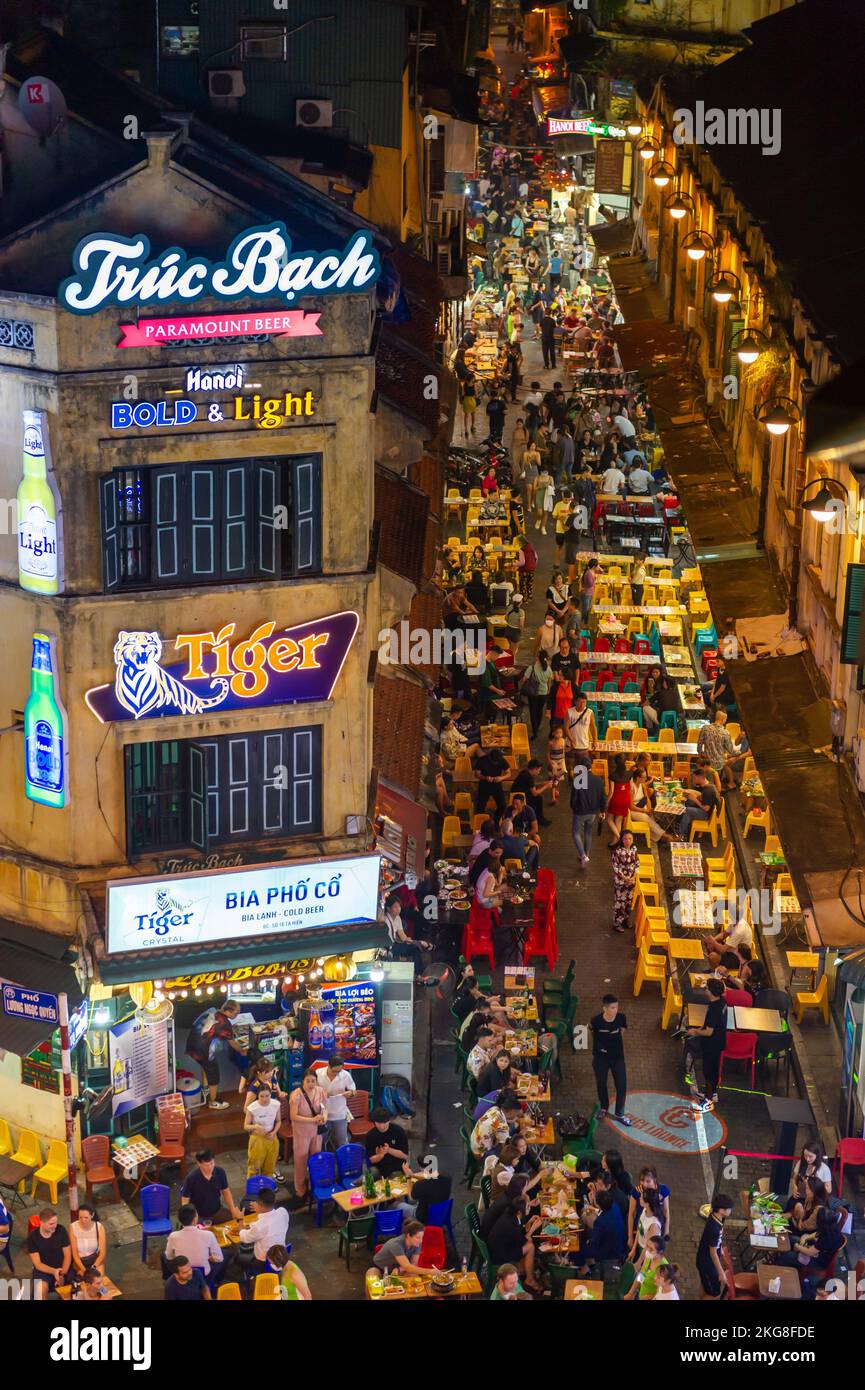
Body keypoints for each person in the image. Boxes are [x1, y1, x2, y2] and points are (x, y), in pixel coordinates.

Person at [185, 997, 247, 1109]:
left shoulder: (212, 1009)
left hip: (192, 1044)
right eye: (236, 1013)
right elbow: (232, 1042)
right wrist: (242, 1051)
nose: (237, 1015)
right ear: (228, 1011)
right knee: (214, 1074)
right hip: (204, 1051)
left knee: (204, 1065)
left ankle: (206, 1087)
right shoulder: (224, 1023)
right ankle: (213, 1102)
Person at [686, 976, 728, 1106]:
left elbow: (709, 1032)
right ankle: (712, 1093)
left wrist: (695, 1032)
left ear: (711, 992)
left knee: (708, 1071)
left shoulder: (714, 1010)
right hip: (719, 1041)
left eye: (707, 988)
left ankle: (709, 1098)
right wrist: (700, 1027)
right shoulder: (721, 1001)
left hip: (712, 1044)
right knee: (713, 1069)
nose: (705, 990)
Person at [590, 994, 631, 1123]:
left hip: (617, 1057)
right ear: (605, 1009)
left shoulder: (621, 1018)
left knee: (621, 1086)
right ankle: (604, 1107)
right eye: (612, 1008)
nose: (616, 1010)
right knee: (601, 1084)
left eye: (617, 1007)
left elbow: (623, 1030)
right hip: (600, 1058)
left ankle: (619, 1113)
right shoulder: (596, 1021)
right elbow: (591, 1031)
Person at [289, 1068, 328, 1201]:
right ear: (302, 1082)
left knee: (316, 1158)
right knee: (301, 1160)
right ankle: (300, 1189)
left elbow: (325, 1108)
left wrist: (324, 1117)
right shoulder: (296, 1095)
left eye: (313, 1081)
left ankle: (314, 1185)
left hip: (317, 1131)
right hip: (302, 1132)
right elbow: (293, 1116)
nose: (311, 1084)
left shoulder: (321, 1091)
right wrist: (312, 1120)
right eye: (308, 1081)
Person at [180, 1149, 242, 1225]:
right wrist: (189, 1218)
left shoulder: (220, 1172)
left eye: (212, 1163)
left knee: (233, 1223)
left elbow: (226, 1192)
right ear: (199, 1163)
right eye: (206, 1165)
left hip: (217, 1211)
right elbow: (185, 1200)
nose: (210, 1167)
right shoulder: (191, 1178)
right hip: (199, 1215)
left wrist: (232, 1209)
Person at [165, 1205, 224, 1279]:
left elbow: (169, 1257)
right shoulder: (208, 1235)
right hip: (203, 1274)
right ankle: (216, 1281)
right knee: (225, 1254)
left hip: (182, 1273)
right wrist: (209, 1257)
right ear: (194, 1220)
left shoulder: (173, 1236)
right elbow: (219, 1258)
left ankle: (168, 1278)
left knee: (164, 1256)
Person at [238, 1187, 290, 1271]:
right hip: (281, 1254)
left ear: (260, 1204)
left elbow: (243, 1237)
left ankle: (251, 1276)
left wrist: (240, 1219)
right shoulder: (283, 1212)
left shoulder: (259, 1227)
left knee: (238, 1258)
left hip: (264, 1262)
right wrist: (260, 1210)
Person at [570, 752, 606, 868]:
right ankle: (586, 854)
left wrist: (573, 807)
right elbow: (602, 797)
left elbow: (574, 798)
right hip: (593, 812)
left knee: (576, 833)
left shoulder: (578, 780)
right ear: (591, 766)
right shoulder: (598, 780)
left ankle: (583, 855)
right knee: (588, 832)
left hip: (580, 811)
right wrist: (602, 810)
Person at [384, 892, 432, 975]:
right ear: (388, 908)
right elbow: (389, 942)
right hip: (388, 948)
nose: (398, 909)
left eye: (399, 906)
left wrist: (409, 941)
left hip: (395, 944)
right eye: (395, 907)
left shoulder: (397, 918)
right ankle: (420, 973)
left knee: (415, 947)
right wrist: (414, 942)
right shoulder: (385, 921)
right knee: (415, 947)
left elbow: (402, 934)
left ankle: (420, 973)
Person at [27, 1208, 72, 1295]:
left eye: (56, 1222)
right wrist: (54, 1271)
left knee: (73, 1290)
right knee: (40, 1292)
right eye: (51, 1224)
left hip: (63, 1267)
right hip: (44, 1270)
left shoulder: (61, 1230)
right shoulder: (32, 1237)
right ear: (41, 1223)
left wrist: (61, 1274)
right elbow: (38, 1264)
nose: (55, 1226)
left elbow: (67, 1255)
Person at [469, 1088, 522, 1158]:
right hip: (482, 1154)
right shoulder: (501, 1125)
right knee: (516, 1150)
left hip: (475, 1143)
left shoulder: (495, 1108)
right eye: (516, 1112)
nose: (517, 1114)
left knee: (513, 1129)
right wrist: (520, 1134)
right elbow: (505, 1147)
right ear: (511, 1111)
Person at [319, 1053, 356, 1151]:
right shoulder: (318, 1073)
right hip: (323, 1114)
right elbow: (311, 1090)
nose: (336, 1074)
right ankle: (323, 1160)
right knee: (321, 1140)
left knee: (342, 1141)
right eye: (334, 1071)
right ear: (328, 1065)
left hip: (339, 1113)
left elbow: (353, 1091)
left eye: (339, 1071)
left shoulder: (345, 1075)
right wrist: (321, 1093)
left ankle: (343, 1162)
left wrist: (350, 1093)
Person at [244, 1082, 282, 1179]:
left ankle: (267, 1188)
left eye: (267, 1096)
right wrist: (256, 1126)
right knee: (254, 1167)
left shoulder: (276, 1104)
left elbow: (278, 1121)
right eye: (261, 1096)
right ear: (257, 1096)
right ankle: (253, 1189)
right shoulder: (252, 1108)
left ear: (270, 1094)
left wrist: (274, 1133)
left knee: (270, 1167)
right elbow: (246, 1126)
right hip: (257, 1140)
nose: (265, 1099)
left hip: (271, 1137)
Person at [698, 708, 741, 789]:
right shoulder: (725, 733)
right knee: (728, 759)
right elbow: (731, 751)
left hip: (706, 762)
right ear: (723, 719)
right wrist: (739, 752)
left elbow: (699, 746)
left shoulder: (705, 728)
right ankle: (729, 784)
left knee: (725, 757)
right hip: (719, 764)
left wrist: (702, 755)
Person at [628, 1167, 671, 1245]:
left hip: (656, 1227)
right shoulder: (637, 1191)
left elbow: (666, 1210)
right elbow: (631, 1214)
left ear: (654, 1179)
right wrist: (630, 1236)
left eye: (648, 1181)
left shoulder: (663, 1190)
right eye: (642, 1180)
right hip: (641, 1228)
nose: (644, 1184)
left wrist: (666, 1231)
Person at [365, 1106, 409, 1178]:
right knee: (370, 1175)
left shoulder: (398, 1131)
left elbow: (405, 1156)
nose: (382, 1126)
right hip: (379, 1168)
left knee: (396, 1179)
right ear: (374, 1122)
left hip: (397, 1167)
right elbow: (371, 1160)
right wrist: (380, 1155)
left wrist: (388, 1150)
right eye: (379, 1123)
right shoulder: (370, 1135)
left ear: (389, 1121)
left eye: (385, 1123)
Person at [677, 768, 720, 839]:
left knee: (687, 810)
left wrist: (694, 799)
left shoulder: (708, 791)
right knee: (687, 802)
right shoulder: (708, 785)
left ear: (700, 778)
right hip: (707, 810)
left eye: (694, 778)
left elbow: (706, 809)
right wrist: (688, 792)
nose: (693, 780)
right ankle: (682, 824)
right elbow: (701, 796)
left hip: (707, 815)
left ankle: (681, 835)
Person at [610, 830, 639, 934]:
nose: (627, 841)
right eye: (625, 839)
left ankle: (626, 919)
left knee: (629, 902)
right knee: (619, 902)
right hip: (621, 882)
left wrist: (633, 877)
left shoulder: (634, 849)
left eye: (630, 839)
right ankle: (617, 923)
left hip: (631, 881)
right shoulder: (617, 851)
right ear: (621, 840)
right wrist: (626, 878)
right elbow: (616, 868)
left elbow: (637, 864)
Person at [624, 1232, 669, 1300]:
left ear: (660, 1252)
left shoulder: (664, 1268)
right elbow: (641, 1275)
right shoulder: (649, 1258)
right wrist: (631, 1293)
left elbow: (663, 1292)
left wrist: (649, 1297)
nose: (647, 1251)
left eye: (651, 1249)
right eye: (647, 1247)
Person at [520, 649, 553, 738]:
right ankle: (537, 726)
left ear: (538, 658)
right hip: (544, 693)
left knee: (533, 712)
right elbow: (549, 681)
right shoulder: (548, 669)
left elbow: (524, 679)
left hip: (533, 693)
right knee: (539, 711)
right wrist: (548, 690)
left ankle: (534, 732)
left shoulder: (532, 668)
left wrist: (521, 688)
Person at [70, 1201, 107, 1277]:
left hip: (94, 1260)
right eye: (80, 1217)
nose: (83, 1220)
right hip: (79, 1262)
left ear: (92, 1215)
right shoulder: (72, 1227)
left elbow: (102, 1253)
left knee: (98, 1279)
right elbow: (74, 1253)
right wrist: (84, 1270)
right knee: (84, 1281)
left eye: (86, 1218)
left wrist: (94, 1267)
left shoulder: (99, 1227)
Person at [475, 743, 510, 817]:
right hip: (484, 785)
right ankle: (481, 822)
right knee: (480, 807)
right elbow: (477, 774)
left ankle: (496, 820)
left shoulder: (501, 759)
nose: (495, 763)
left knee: (502, 806)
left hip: (496, 785)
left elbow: (508, 773)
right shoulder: (482, 760)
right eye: (494, 762)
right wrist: (485, 777)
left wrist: (501, 778)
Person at [606, 753, 631, 847]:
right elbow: (630, 788)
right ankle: (614, 842)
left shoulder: (613, 775)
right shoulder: (629, 774)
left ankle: (619, 838)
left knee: (609, 819)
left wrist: (606, 802)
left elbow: (611, 791)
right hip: (626, 799)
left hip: (616, 800)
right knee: (618, 821)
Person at [566, 691, 598, 760]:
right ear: (575, 702)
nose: (582, 704)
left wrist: (595, 741)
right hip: (571, 745)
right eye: (580, 702)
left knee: (582, 768)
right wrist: (571, 740)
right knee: (570, 766)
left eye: (584, 702)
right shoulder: (569, 712)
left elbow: (593, 727)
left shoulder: (590, 712)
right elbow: (566, 728)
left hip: (584, 745)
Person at [534, 463, 555, 533]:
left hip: (547, 496)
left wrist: (549, 486)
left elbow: (553, 487)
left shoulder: (550, 478)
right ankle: (539, 519)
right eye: (543, 472)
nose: (545, 473)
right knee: (540, 513)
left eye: (546, 472)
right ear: (541, 472)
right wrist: (539, 487)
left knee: (545, 513)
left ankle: (543, 527)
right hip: (539, 495)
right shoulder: (537, 478)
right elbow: (534, 488)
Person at [579, 557, 599, 627]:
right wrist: (595, 579)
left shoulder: (592, 571)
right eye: (597, 566)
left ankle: (583, 623)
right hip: (586, 594)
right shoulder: (588, 573)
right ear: (594, 566)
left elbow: (602, 571)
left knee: (587, 609)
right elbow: (590, 584)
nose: (598, 567)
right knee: (585, 610)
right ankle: (583, 623)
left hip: (589, 593)